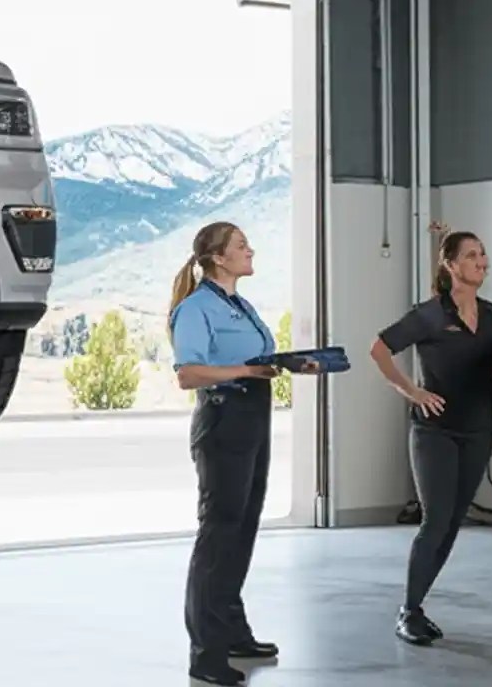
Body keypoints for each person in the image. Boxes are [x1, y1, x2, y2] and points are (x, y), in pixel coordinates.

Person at [370, 226, 492, 646]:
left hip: (478, 430)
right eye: (471, 255)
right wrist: (413, 390)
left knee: (450, 524)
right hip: (434, 432)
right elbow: (378, 349)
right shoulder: (430, 314)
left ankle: (416, 607)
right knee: (435, 520)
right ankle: (409, 611)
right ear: (450, 264)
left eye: (483, 255)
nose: (481, 262)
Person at [169, 221, 316, 686]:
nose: (250, 250)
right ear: (217, 258)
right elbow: (189, 373)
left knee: (244, 527)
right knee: (218, 534)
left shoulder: (241, 306)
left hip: (254, 418)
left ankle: (232, 631)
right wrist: (247, 370)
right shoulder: (196, 309)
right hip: (223, 420)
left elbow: (255, 361)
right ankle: (206, 653)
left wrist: (288, 364)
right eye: (240, 245)